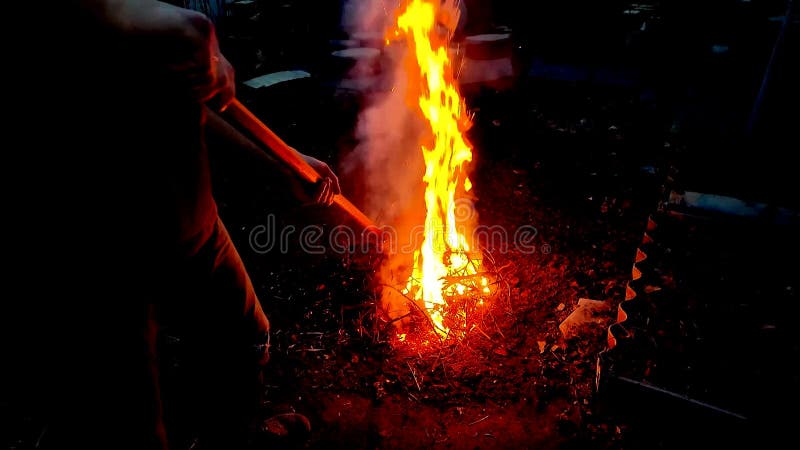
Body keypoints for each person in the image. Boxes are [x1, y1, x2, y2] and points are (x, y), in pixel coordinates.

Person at [4, 1, 339, 449]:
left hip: (192, 220)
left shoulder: (175, 33)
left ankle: (232, 434)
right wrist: (124, 20)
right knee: (127, 416)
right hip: (103, 244)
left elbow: (201, 105)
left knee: (243, 338)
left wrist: (281, 163)